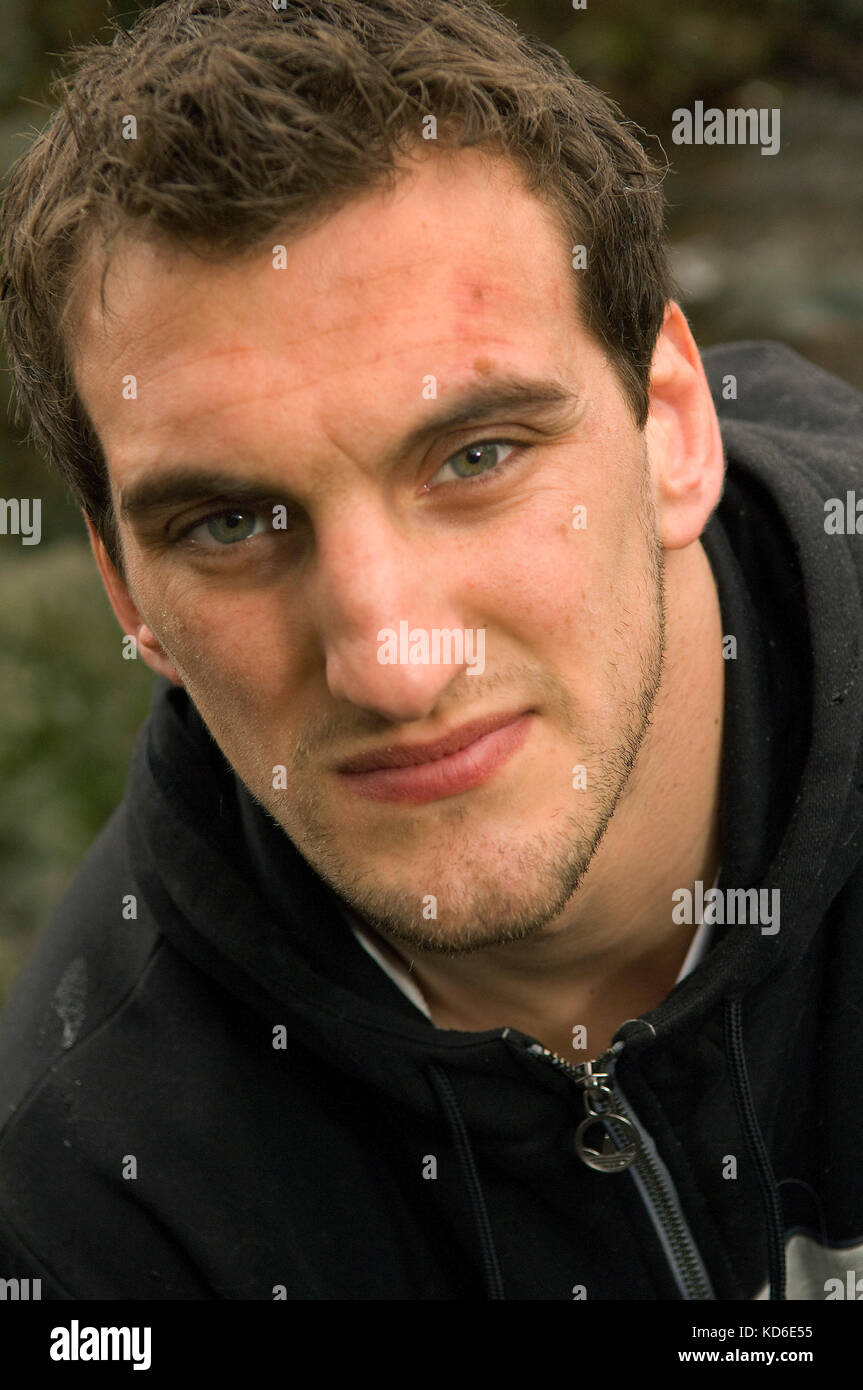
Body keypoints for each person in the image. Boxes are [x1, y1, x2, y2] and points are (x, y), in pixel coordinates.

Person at [0, 0, 861, 1303]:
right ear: (127, 592)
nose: (392, 664)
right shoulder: (95, 1196)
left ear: (672, 427)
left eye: (477, 456)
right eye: (230, 523)